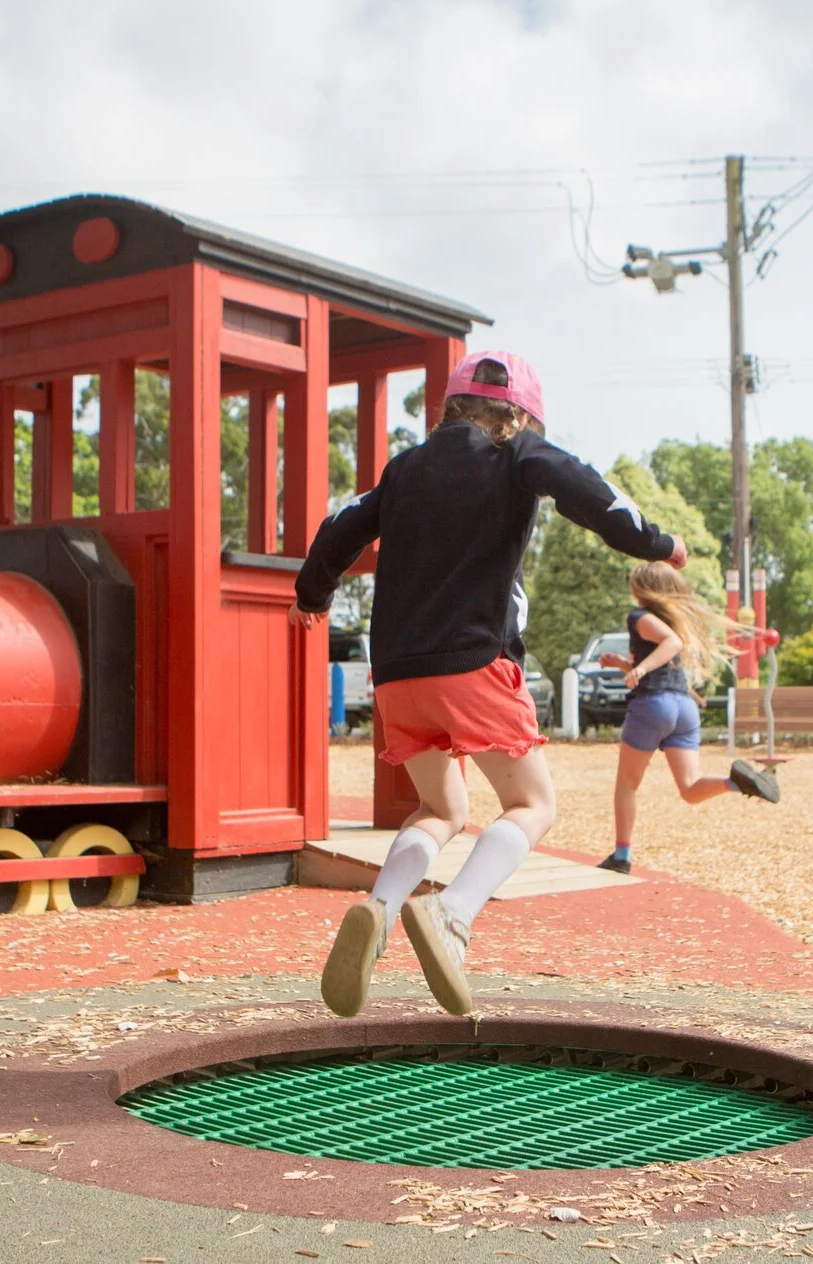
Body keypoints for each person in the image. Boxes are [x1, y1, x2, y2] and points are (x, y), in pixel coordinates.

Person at [290, 352, 681, 1018]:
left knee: (440, 809)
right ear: (518, 415)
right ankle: (453, 915)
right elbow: (581, 484)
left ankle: (381, 910)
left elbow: (340, 526)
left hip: (397, 676)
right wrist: (653, 540)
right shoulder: (517, 455)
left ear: (450, 409)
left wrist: (312, 593)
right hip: (472, 661)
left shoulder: (403, 469)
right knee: (533, 804)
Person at [595, 561, 779, 874]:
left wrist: (639, 668)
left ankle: (622, 857)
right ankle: (736, 784)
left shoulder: (640, 617)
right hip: (683, 708)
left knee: (626, 785)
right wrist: (626, 666)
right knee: (690, 789)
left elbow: (671, 645)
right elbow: (667, 663)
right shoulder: (677, 622)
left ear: (643, 589)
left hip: (654, 706)